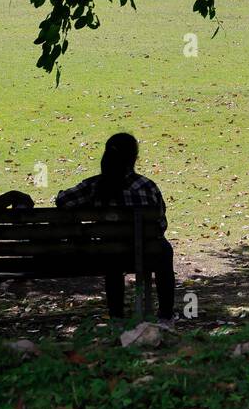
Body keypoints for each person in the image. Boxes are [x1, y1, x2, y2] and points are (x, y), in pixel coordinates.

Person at [55, 133, 174, 321]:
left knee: (112, 255)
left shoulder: (93, 186)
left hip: (109, 256)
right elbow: (160, 224)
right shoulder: (146, 186)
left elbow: (62, 201)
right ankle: (166, 316)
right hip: (146, 253)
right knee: (165, 250)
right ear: (134, 158)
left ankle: (116, 317)